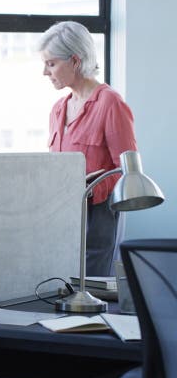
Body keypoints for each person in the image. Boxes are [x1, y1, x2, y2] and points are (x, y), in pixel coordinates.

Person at [38, 21, 137, 276]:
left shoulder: (110, 103)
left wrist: (90, 187)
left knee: (90, 289)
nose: (45, 73)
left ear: (74, 60)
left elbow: (127, 171)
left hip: (98, 214)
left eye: (51, 64)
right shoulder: (58, 109)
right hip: (63, 214)